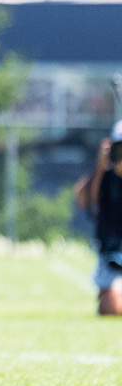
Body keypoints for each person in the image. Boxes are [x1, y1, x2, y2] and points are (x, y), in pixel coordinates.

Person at [77, 123, 122, 316]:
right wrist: (100, 167)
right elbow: (84, 200)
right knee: (109, 307)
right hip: (111, 256)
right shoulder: (104, 176)